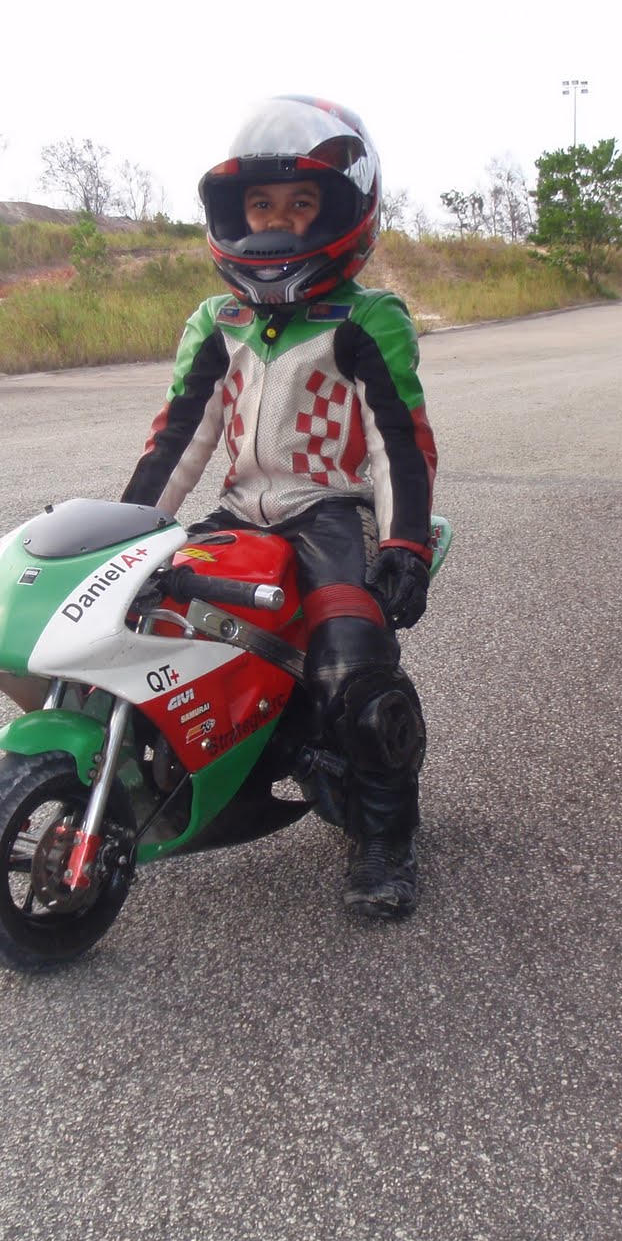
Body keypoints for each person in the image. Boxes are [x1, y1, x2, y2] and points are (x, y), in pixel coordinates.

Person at [120, 95, 438, 921]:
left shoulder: (368, 318)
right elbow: (179, 438)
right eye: (261, 205)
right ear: (235, 214)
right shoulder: (216, 320)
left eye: (301, 204)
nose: (277, 222)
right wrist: (125, 535)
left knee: (354, 669)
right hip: (239, 514)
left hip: (334, 512)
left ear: (342, 211)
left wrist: (404, 544)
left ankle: (385, 839)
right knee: (148, 617)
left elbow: (398, 444)